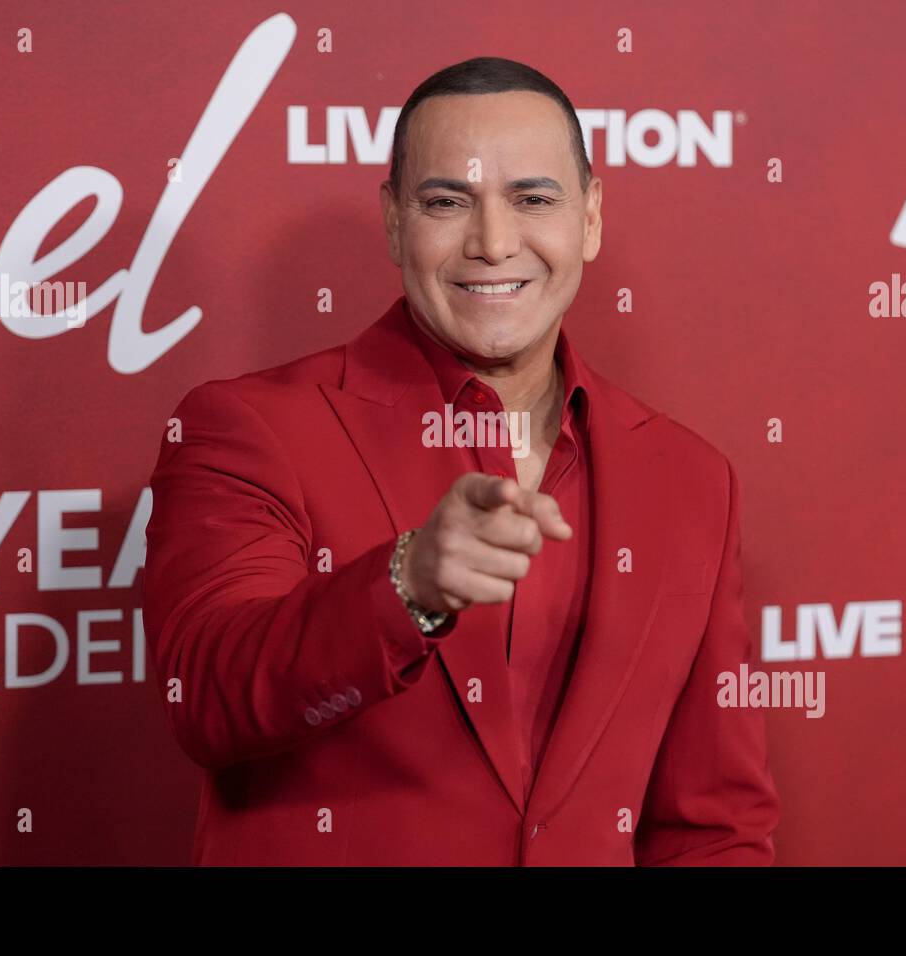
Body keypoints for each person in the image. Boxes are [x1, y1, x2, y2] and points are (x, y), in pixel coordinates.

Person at [143, 56, 781, 865]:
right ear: (392, 222)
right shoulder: (247, 427)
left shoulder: (692, 477)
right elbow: (208, 698)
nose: (493, 242)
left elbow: (714, 827)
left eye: (533, 199)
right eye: (448, 202)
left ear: (589, 219)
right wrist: (406, 585)